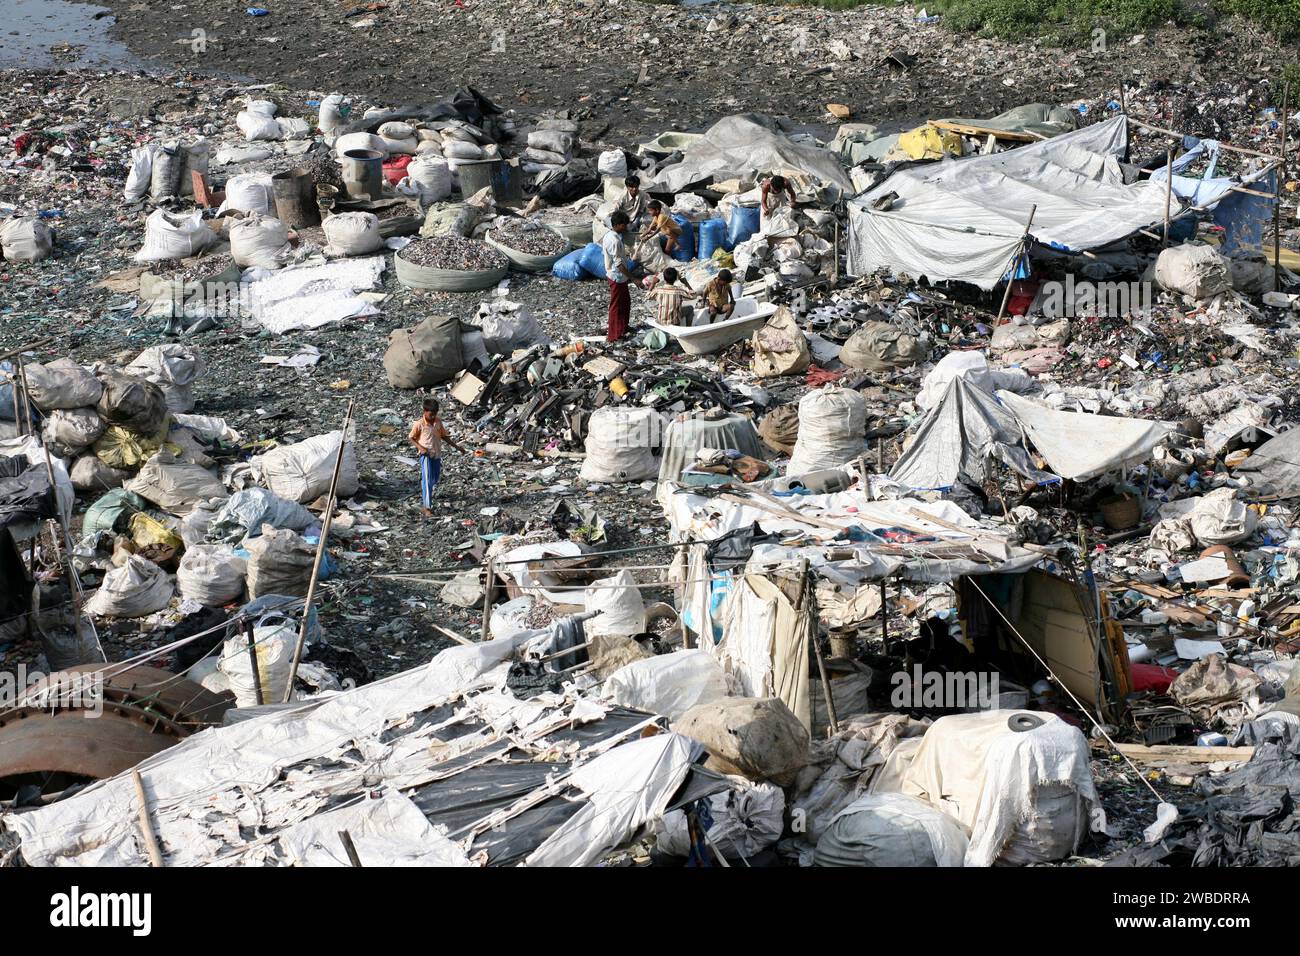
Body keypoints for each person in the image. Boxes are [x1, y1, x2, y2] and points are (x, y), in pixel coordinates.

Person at [408, 399, 464, 517]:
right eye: (431, 414)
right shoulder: (419, 424)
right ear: (424, 411)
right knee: (427, 480)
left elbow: (444, 436)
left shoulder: (438, 422)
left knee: (434, 479)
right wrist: (420, 448)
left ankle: (427, 493)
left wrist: (457, 447)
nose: (433, 416)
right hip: (426, 456)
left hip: (436, 455)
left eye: (435, 414)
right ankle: (426, 507)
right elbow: (411, 438)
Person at [602, 210, 633, 342]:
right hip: (617, 276)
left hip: (620, 277)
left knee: (625, 302)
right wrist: (633, 278)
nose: (625, 227)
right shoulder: (614, 241)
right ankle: (614, 335)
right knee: (616, 306)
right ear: (618, 225)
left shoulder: (611, 236)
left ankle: (623, 327)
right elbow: (618, 264)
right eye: (624, 225)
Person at [760, 174, 797, 238]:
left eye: (778, 190)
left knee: (782, 219)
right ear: (771, 185)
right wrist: (766, 210)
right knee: (765, 222)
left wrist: (793, 202)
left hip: (780, 198)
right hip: (769, 199)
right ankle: (766, 236)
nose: (776, 192)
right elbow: (763, 201)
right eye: (774, 190)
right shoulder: (765, 186)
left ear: (782, 187)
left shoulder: (786, 183)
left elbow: (793, 194)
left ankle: (781, 235)